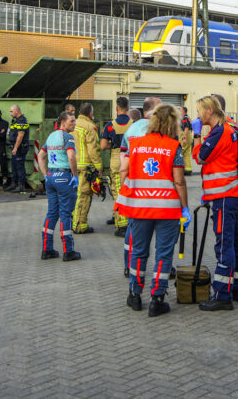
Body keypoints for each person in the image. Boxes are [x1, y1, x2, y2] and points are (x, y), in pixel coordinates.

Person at [117, 104, 191, 317]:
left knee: (138, 252)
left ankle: (135, 294)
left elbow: (123, 170)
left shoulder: (136, 144)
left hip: (140, 207)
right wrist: (185, 208)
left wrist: (129, 192)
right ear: (173, 123)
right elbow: (179, 181)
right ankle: (157, 299)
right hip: (167, 209)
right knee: (163, 253)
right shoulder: (173, 146)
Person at [194, 95, 238, 311]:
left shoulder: (219, 133)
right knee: (235, 241)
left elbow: (201, 157)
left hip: (223, 195)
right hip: (230, 194)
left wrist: (196, 136)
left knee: (224, 244)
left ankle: (222, 295)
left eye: (199, 111)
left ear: (209, 110)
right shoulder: (227, 128)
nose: (198, 115)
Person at [119, 97, 161, 276]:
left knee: (133, 225)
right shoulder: (155, 128)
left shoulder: (131, 128)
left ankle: (128, 265)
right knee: (159, 229)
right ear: (151, 110)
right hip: (154, 185)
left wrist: (125, 183)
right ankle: (161, 266)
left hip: (133, 183)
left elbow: (123, 155)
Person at [39, 112, 81, 262]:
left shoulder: (51, 136)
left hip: (51, 177)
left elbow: (41, 156)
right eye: (72, 121)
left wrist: (46, 174)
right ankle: (68, 251)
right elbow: (71, 156)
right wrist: (75, 175)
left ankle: (47, 249)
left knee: (52, 213)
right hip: (64, 178)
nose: (74, 123)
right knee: (65, 213)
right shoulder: (68, 137)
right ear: (63, 123)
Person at [100, 96, 131, 235]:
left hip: (116, 158)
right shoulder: (134, 123)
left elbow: (102, 146)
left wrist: (112, 145)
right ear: (128, 108)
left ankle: (122, 224)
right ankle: (117, 216)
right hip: (131, 157)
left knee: (117, 190)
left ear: (117, 108)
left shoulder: (110, 125)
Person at [71, 103, 103, 234]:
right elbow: (93, 150)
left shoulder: (72, 123)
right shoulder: (90, 127)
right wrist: (99, 166)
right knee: (84, 195)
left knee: (74, 195)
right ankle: (80, 225)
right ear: (90, 113)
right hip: (85, 166)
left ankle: (73, 221)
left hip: (71, 164)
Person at [8, 105, 30, 193]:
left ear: (17, 111)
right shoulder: (15, 121)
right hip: (15, 147)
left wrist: (16, 148)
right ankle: (14, 184)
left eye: (11, 111)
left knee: (19, 166)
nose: (10, 113)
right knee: (14, 165)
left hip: (20, 148)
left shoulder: (22, 121)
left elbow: (20, 136)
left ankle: (21, 186)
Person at [179, 106, 194, 176]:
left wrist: (184, 138)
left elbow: (186, 128)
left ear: (183, 111)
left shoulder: (185, 118)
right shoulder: (188, 118)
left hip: (185, 137)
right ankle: (188, 170)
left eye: (180, 110)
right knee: (187, 154)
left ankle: (179, 169)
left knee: (180, 153)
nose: (179, 112)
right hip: (189, 137)